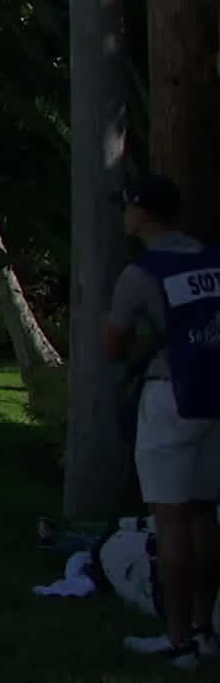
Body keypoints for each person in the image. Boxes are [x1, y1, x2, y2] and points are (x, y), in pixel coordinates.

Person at [105, 174, 220, 669]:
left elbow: (113, 344)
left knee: (170, 521)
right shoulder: (213, 259)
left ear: (144, 214)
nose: (125, 216)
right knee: (203, 515)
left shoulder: (142, 272)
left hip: (169, 397)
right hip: (214, 399)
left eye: (128, 208)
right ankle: (206, 629)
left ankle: (179, 642)